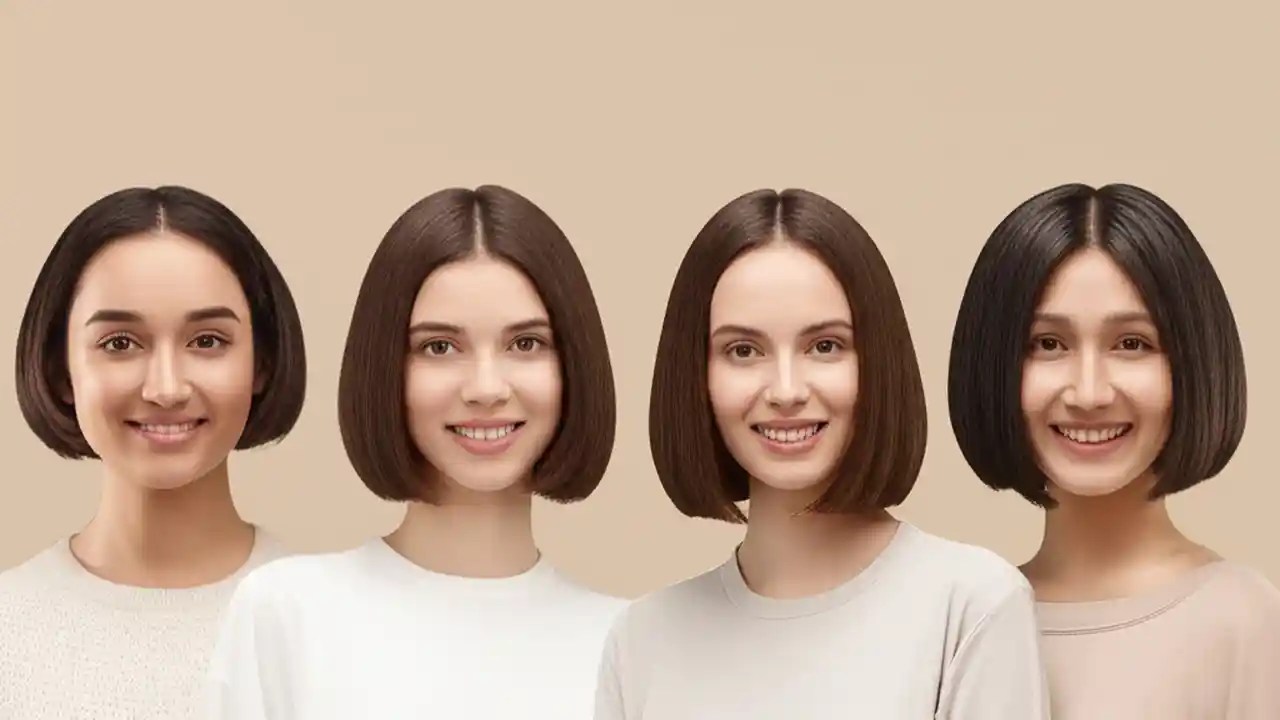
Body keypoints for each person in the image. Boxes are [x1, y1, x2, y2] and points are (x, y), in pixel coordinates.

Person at [594, 188, 1049, 719]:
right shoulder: (643, 638)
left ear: (876, 361)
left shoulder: (971, 606)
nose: (786, 390)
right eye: (743, 351)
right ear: (696, 376)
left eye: (825, 346)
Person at [207, 185, 625, 719]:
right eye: (439, 347)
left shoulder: (629, 641)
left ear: (572, 366)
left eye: (526, 344)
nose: (486, 387)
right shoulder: (286, 614)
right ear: (386, 369)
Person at [947, 182, 1280, 718]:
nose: (1089, 393)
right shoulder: (965, 621)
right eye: (1048, 344)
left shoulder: (1242, 621)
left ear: (1191, 364)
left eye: (1132, 344)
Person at [0, 185, 305, 719]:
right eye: (120, 343)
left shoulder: (335, 623)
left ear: (261, 363)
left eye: (207, 341)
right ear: (61, 370)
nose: (166, 388)